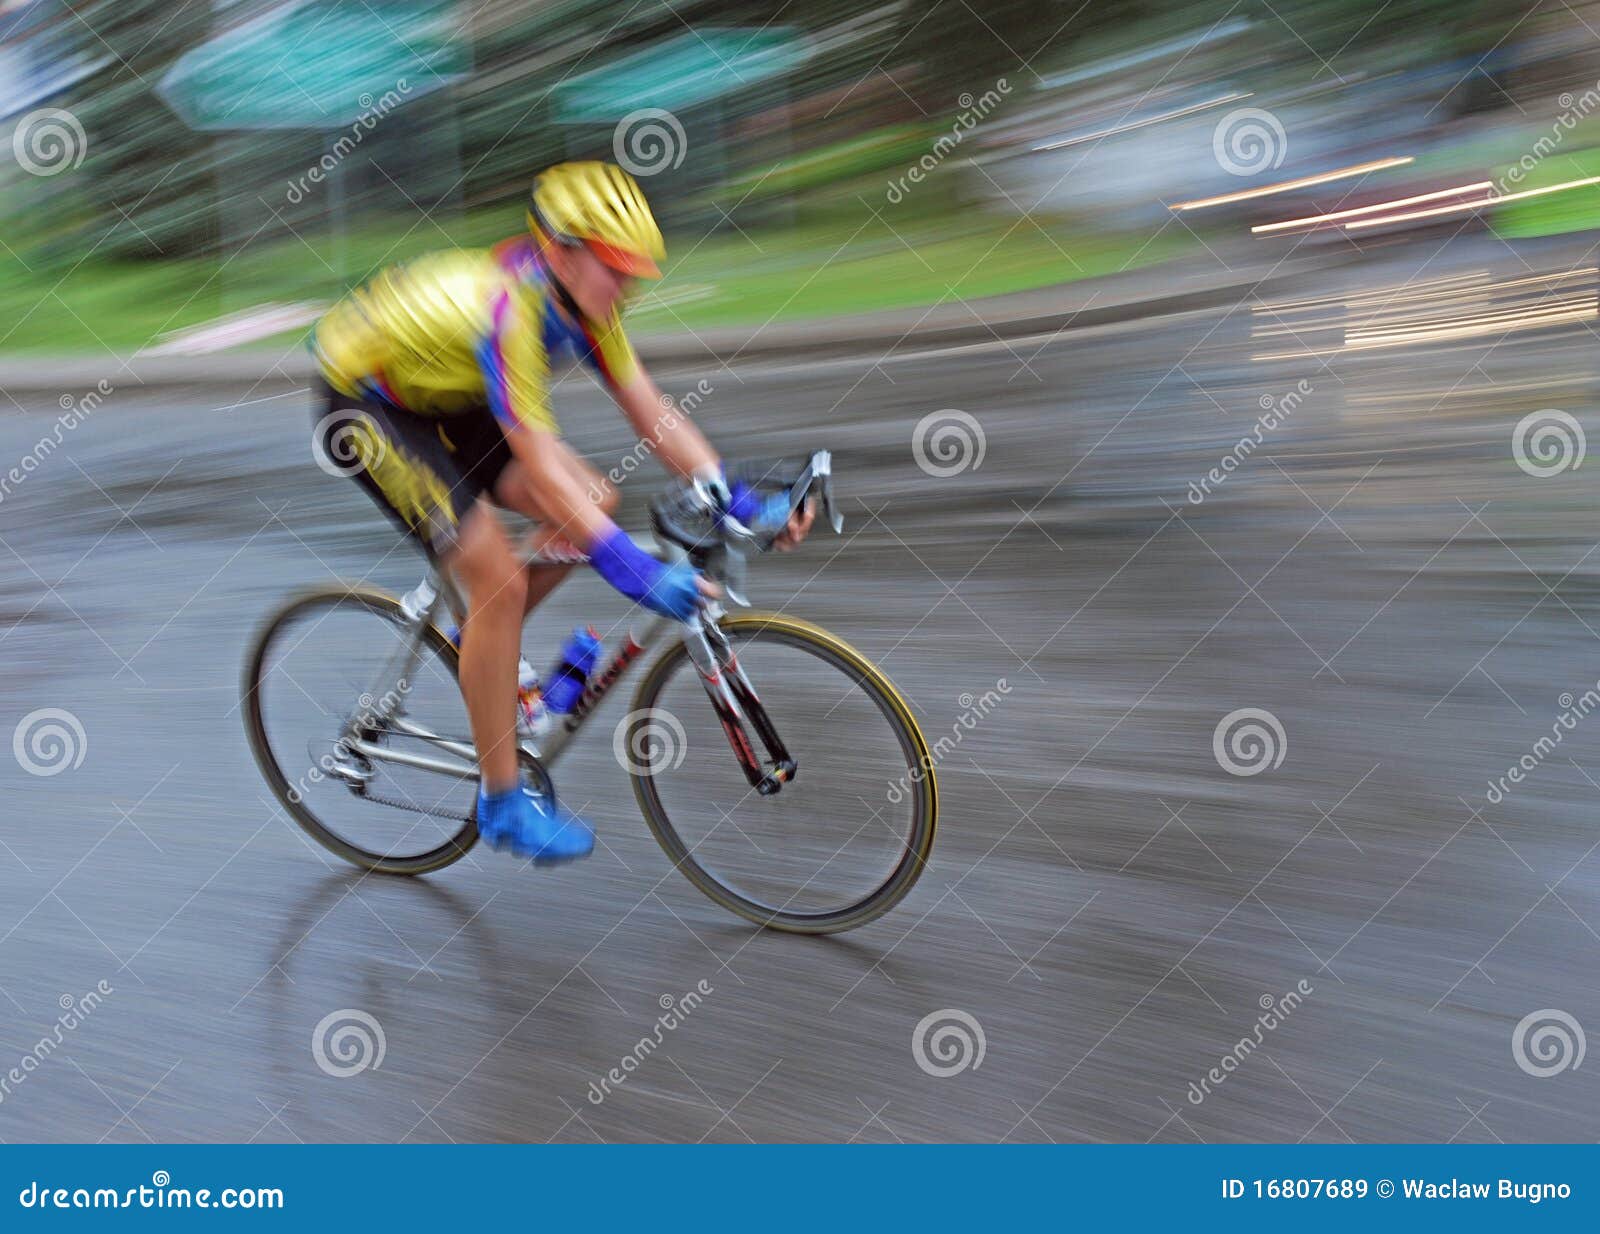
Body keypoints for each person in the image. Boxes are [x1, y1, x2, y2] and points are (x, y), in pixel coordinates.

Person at [309, 161, 813, 865]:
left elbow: (648, 408)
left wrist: (734, 497)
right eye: (617, 268)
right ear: (562, 253)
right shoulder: (512, 308)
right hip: (368, 404)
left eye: (635, 271)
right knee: (501, 582)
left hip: (447, 394)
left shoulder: (590, 302)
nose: (628, 285)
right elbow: (540, 465)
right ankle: (503, 804)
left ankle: (485, 647)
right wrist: (635, 570)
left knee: (595, 502)